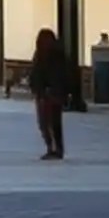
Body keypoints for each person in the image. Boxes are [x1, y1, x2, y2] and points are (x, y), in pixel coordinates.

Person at [29, 28, 68, 160]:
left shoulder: (56, 56)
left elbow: (60, 75)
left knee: (52, 122)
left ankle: (55, 148)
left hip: (52, 93)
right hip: (43, 93)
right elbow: (35, 72)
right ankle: (52, 147)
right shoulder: (39, 55)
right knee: (45, 122)